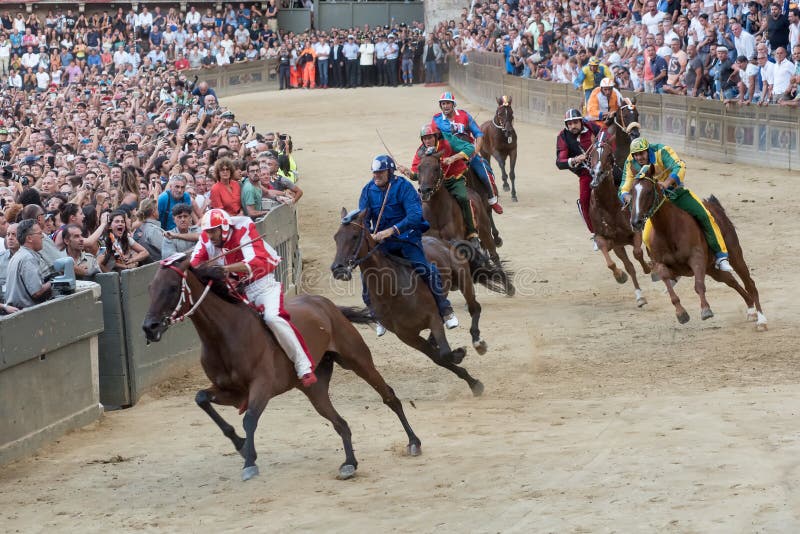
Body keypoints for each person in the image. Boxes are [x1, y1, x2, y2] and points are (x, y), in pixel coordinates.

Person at [190, 208, 317, 387]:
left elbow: (253, 263)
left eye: (213, 231)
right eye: (208, 231)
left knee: (272, 318)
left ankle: (304, 367)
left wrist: (225, 269)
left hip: (262, 286)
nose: (210, 235)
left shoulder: (244, 229)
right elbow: (194, 264)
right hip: (237, 290)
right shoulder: (206, 239)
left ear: (224, 228)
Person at [358, 155, 458, 336]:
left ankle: (445, 309)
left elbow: (414, 216)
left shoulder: (404, 187)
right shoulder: (367, 190)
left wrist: (392, 230)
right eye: (374, 172)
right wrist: (368, 232)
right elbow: (362, 217)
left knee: (425, 269)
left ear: (389, 172)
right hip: (382, 242)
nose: (376, 176)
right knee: (366, 277)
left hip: (407, 238)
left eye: (380, 172)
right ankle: (376, 314)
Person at [619, 138, 733, 272]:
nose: (639, 157)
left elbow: (680, 166)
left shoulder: (662, 151)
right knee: (645, 237)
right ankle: (660, 264)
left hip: (676, 194)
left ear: (647, 150)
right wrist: (627, 196)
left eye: (641, 153)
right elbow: (624, 184)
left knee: (705, 215)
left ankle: (721, 256)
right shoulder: (630, 162)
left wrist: (666, 183)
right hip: (655, 205)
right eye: (636, 154)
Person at [399, 124, 480, 250]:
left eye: (429, 138)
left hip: (453, 178)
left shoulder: (448, 141)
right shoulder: (421, 152)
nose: (427, 141)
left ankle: (472, 232)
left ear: (436, 137)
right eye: (424, 138)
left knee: (463, 197)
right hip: (434, 185)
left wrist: (453, 158)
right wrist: (408, 172)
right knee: (417, 203)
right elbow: (417, 175)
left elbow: (469, 147)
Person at [431, 92, 503, 214]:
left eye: (448, 103)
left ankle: (492, 200)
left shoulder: (464, 116)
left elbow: (479, 134)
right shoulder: (436, 119)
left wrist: (476, 150)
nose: (445, 106)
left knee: (483, 173)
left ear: (453, 104)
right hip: (448, 156)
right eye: (443, 103)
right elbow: (433, 138)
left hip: (468, 154)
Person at [555, 108, 604, 249]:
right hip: (586, 172)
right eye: (569, 124)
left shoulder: (591, 126)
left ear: (581, 121)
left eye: (575, 122)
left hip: (604, 167)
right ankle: (596, 234)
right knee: (584, 201)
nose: (572, 126)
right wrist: (575, 159)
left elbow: (605, 134)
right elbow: (559, 162)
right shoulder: (563, 137)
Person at [4, 219, 52, 310]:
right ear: (29, 238)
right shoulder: (27, 258)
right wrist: (53, 282)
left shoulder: (19, 254)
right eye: (39, 233)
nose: (42, 236)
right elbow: (36, 292)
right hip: (26, 314)